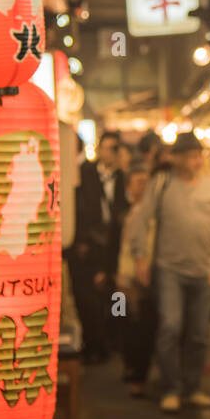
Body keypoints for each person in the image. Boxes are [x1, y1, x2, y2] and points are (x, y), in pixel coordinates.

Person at [131, 131, 210, 412]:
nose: (196, 160)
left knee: (198, 333)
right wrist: (140, 257)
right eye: (191, 155)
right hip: (168, 269)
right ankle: (171, 388)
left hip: (203, 270)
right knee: (170, 326)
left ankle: (192, 388)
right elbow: (142, 219)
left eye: (199, 155)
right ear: (177, 158)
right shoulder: (162, 184)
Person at [70, 130, 128, 363]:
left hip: (115, 246)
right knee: (89, 298)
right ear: (100, 149)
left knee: (116, 296)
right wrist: (82, 240)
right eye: (106, 147)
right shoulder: (85, 174)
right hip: (90, 245)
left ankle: (115, 339)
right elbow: (78, 209)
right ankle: (94, 342)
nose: (110, 153)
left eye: (115, 148)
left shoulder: (124, 178)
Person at [117, 159, 156, 397]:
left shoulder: (154, 214)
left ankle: (139, 375)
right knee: (123, 322)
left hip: (143, 278)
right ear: (129, 187)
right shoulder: (124, 213)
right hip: (122, 279)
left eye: (146, 182)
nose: (142, 187)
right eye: (138, 182)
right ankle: (130, 366)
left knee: (142, 326)